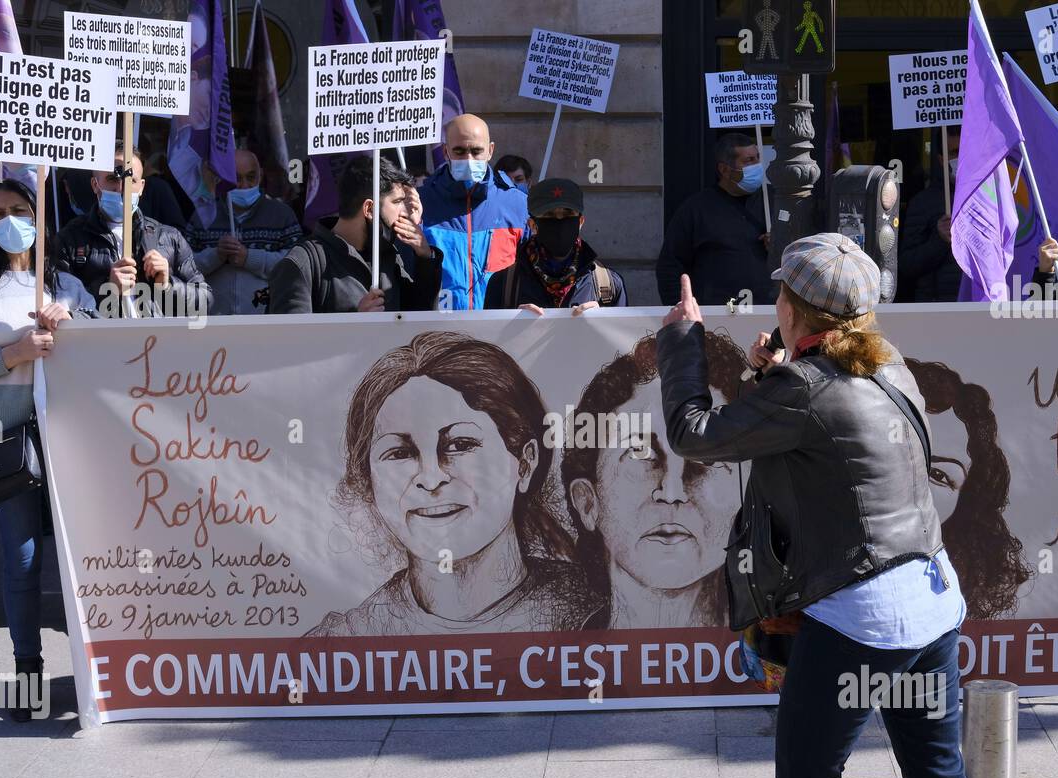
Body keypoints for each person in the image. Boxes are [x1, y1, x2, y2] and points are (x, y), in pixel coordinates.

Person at [656, 234, 983, 778]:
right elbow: (815, 434)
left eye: (780, 292)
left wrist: (683, 342)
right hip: (933, 602)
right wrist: (766, 374)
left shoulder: (801, 387)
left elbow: (693, 436)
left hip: (862, 617)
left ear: (792, 307)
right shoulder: (890, 367)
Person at [305, 330, 599, 636]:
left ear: (525, 463)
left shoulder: (606, 615)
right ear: (368, 481)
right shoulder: (341, 645)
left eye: (460, 444)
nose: (431, 479)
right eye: (400, 453)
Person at [0, 179, 97, 720]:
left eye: (21, 210)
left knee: (85, 554)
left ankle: (94, 668)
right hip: (4, 440)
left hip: (72, 434)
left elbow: (109, 347)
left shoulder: (68, 285)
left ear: (39, 219)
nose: (11, 220)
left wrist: (76, 324)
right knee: (23, 558)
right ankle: (27, 667)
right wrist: (10, 355)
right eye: (0, 213)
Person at [562, 331, 746, 630]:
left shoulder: (770, 659)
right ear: (587, 501)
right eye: (639, 452)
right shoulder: (558, 667)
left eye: (706, 455)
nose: (672, 492)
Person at [904, 358, 1032, 620]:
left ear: (970, 485)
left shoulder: (965, 584)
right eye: (897, 462)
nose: (913, 485)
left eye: (937, 474)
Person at [267, 155, 441, 314]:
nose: (404, 212)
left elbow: (419, 324)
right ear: (369, 209)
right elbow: (290, 343)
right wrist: (355, 323)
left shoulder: (387, 257)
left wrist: (425, 257)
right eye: (396, 202)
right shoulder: (304, 263)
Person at [58, 142, 213, 318]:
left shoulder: (168, 237)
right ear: (95, 185)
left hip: (155, 342)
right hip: (101, 343)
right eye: (112, 179)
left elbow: (205, 302)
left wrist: (168, 285)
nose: (121, 188)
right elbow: (61, 306)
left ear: (142, 187)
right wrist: (108, 289)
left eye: (130, 180)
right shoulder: (70, 239)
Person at [418, 114, 531, 310]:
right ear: (446, 152)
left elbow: (534, 268)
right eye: (459, 151)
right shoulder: (421, 202)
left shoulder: (518, 204)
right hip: (439, 327)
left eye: (476, 151)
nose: (468, 159)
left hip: (499, 327)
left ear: (490, 151)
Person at [656, 132, 775, 307]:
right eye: (749, 161)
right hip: (717, 314)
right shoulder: (696, 209)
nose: (757, 165)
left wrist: (782, 246)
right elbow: (670, 266)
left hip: (769, 311)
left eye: (758, 158)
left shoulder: (776, 201)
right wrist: (682, 312)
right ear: (724, 170)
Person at [484, 178, 627, 314]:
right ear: (533, 225)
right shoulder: (503, 285)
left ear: (580, 222)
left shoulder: (609, 285)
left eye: (568, 214)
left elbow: (623, 337)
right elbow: (490, 337)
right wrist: (512, 324)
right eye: (549, 215)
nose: (559, 222)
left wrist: (602, 322)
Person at [187, 150, 303, 315]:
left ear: (260, 176)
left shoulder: (281, 215)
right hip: (214, 322)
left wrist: (249, 258)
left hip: (266, 320)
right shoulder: (203, 215)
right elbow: (184, 267)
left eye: (250, 177)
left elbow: (296, 267)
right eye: (236, 179)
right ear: (223, 177)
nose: (244, 186)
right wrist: (215, 256)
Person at [898, 126, 963, 302]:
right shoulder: (923, 203)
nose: (961, 158)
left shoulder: (990, 199)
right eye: (954, 152)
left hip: (981, 305)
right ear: (942, 160)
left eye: (965, 149)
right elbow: (906, 266)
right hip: (938, 311)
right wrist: (939, 241)